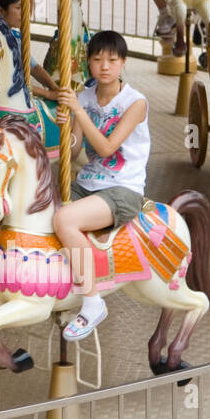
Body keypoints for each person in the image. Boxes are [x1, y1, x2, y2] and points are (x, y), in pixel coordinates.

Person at [53, 31, 150, 339]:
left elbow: (108, 148)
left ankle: (92, 302)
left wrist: (79, 112)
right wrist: (65, 130)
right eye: (97, 59)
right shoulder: (83, 97)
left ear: (123, 63)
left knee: (64, 219)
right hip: (88, 182)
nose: (104, 66)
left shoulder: (135, 103)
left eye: (111, 59)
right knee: (41, 212)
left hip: (122, 188)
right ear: (89, 63)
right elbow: (75, 151)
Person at [0, 0, 60, 101]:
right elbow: (9, 81)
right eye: (18, 8)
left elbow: (34, 67)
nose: (26, 12)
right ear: (0, 10)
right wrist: (48, 94)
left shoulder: (14, 38)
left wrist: (54, 88)